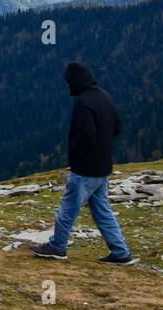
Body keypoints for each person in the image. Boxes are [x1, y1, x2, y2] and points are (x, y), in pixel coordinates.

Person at [31, 61, 137, 265]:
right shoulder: (104, 96)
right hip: (102, 167)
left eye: (69, 81)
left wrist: (75, 156)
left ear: (75, 81)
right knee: (103, 211)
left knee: (67, 209)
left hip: (85, 169)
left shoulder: (83, 103)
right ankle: (121, 253)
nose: (68, 85)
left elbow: (85, 137)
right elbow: (117, 126)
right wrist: (103, 146)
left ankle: (57, 247)